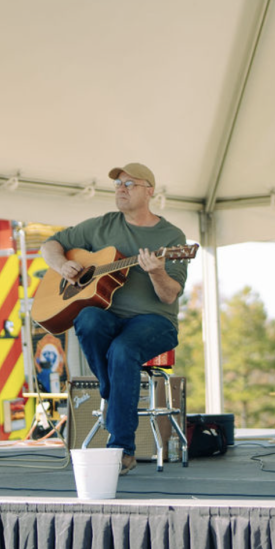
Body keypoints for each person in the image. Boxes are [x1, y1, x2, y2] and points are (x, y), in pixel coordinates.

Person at [40, 163, 188, 475]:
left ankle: (121, 449)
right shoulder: (102, 226)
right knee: (87, 318)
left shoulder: (172, 237)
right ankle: (112, 390)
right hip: (109, 320)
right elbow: (50, 244)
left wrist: (157, 272)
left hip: (154, 322)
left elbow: (169, 296)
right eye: (118, 183)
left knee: (122, 350)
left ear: (149, 191)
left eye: (129, 184)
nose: (121, 188)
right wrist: (61, 266)